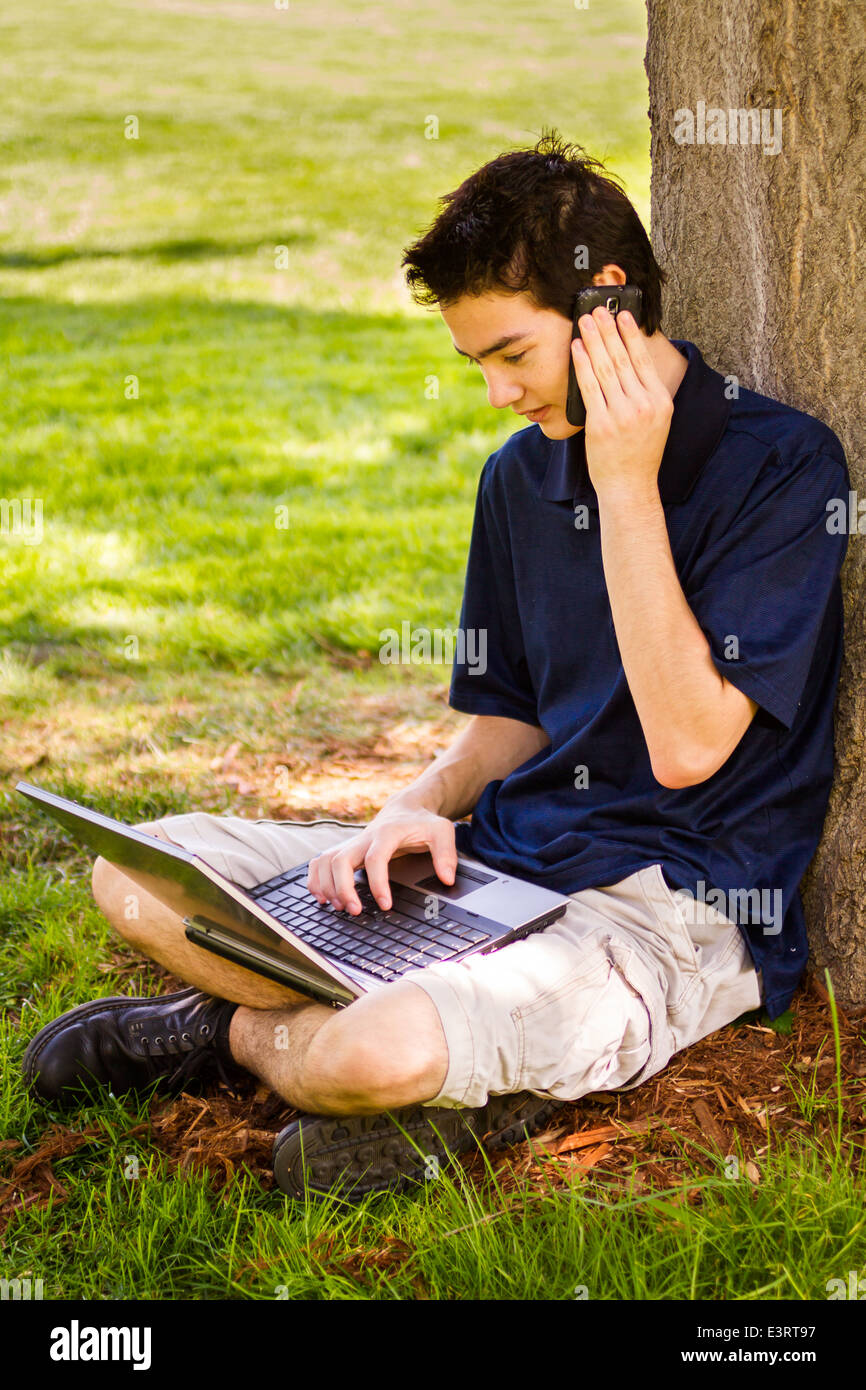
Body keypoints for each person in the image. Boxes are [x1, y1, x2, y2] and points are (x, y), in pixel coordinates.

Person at [23, 131, 850, 1202]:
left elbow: (690, 748)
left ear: (607, 302)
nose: (498, 395)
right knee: (135, 873)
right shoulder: (517, 478)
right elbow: (510, 716)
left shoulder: (782, 465)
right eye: (478, 367)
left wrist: (625, 484)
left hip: (670, 908)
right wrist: (404, 812)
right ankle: (414, 1049)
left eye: (511, 355)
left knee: (369, 1056)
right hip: (495, 866)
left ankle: (241, 1033)